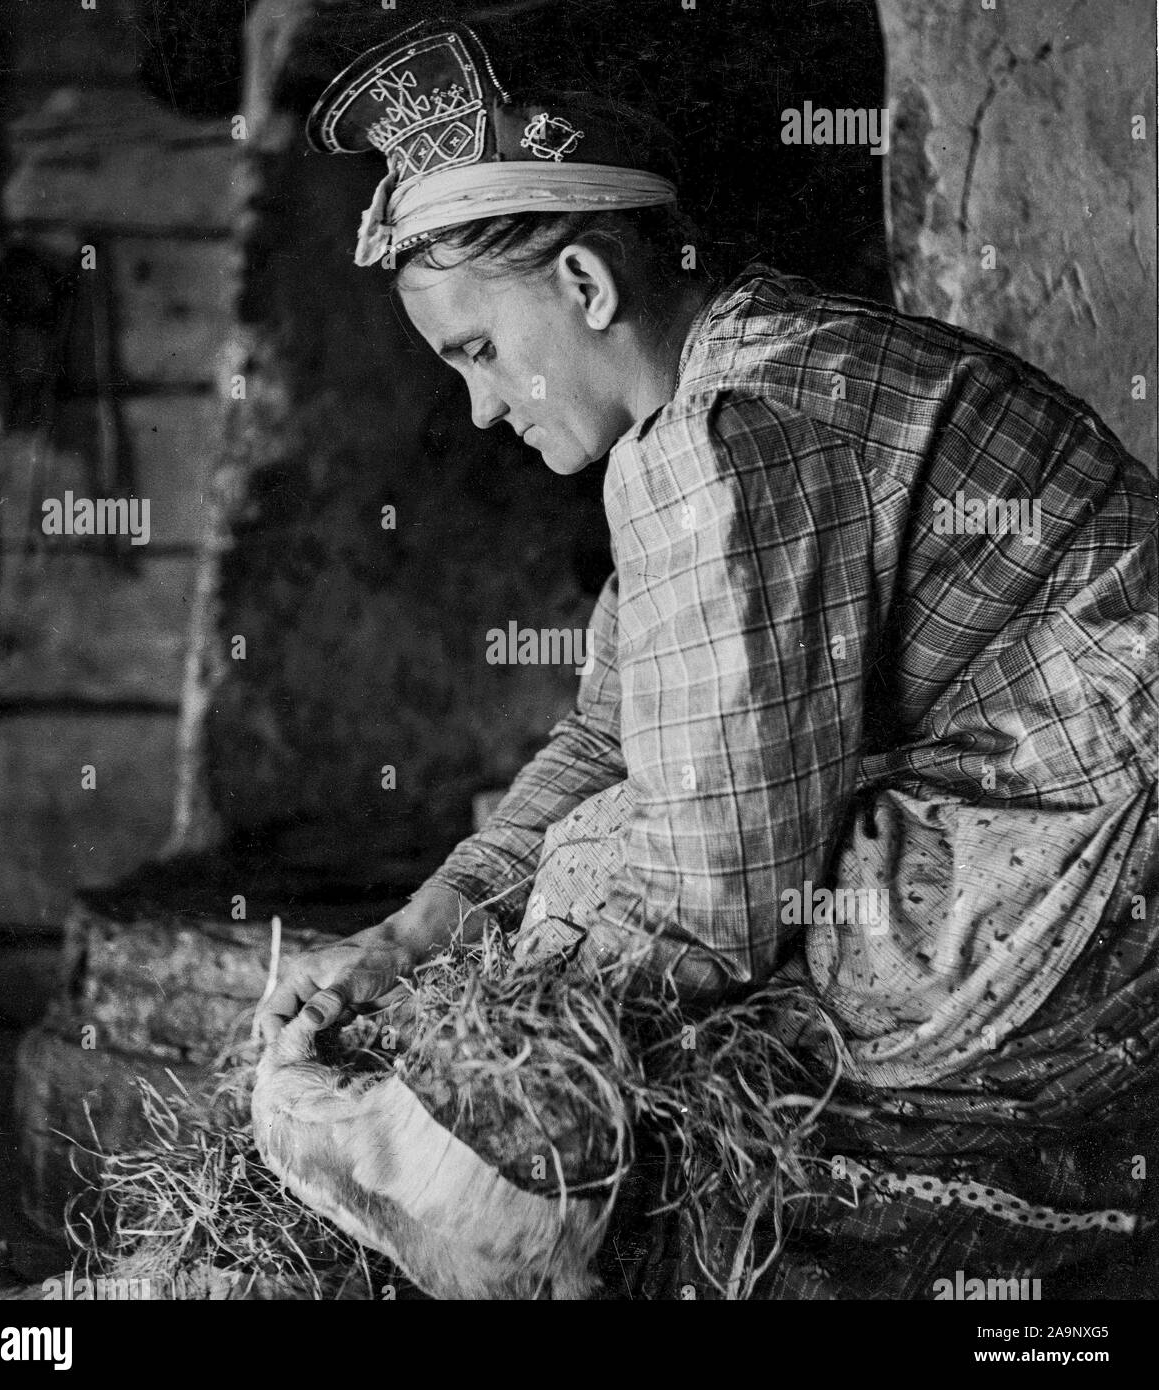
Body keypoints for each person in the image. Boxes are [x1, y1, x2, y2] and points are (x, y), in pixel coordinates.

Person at [258, 19, 1158, 1297]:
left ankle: (478, 1178)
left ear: (581, 284)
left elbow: (713, 891)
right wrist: (411, 939)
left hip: (1097, 847)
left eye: (477, 351)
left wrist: (470, 1054)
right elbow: (606, 735)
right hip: (1059, 823)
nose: (480, 407)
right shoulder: (715, 394)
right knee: (603, 840)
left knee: (619, 874)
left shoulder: (729, 431)